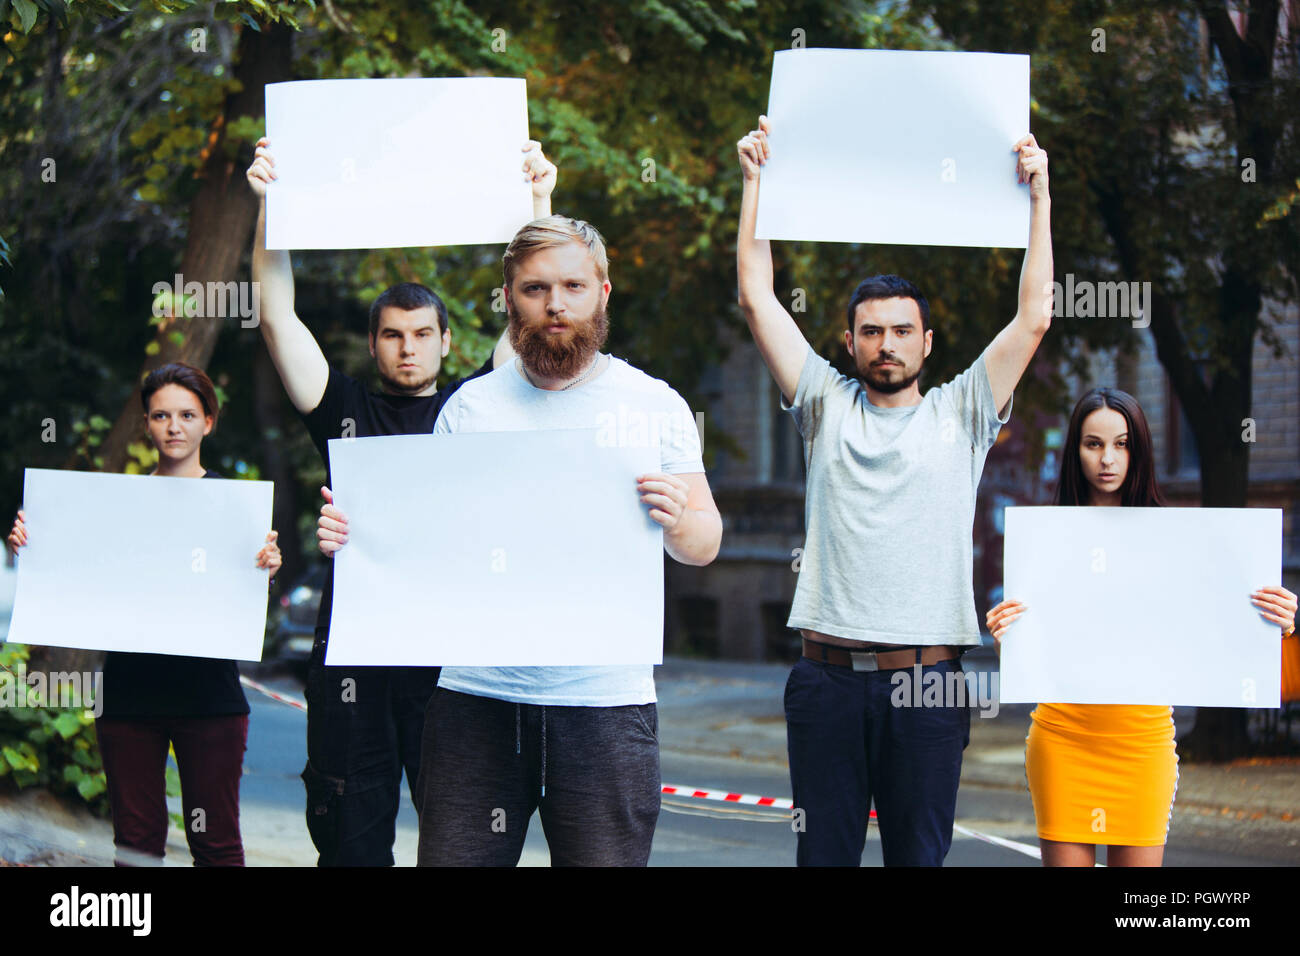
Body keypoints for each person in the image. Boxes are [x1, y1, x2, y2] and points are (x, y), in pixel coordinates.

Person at [316, 215, 724, 866]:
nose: (555, 305)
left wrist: (678, 518)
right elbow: (428, 549)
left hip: (604, 702)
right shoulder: (469, 410)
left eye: (572, 286)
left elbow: (703, 542)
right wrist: (357, 536)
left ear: (603, 293)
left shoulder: (654, 405)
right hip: (475, 700)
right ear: (508, 300)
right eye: (535, 289)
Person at [735, 114, 1054, 866]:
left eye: (902, 331)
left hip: (931, 682)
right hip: (826, 680)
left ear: (927, 342)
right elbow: (756, 296)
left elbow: (1035, 315)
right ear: (849, 342)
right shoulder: (824, 403)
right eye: (871, 331)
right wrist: (756, 185)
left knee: (918, 858)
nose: (887, 344)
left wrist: (1040, 197)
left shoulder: (964, 410)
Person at [246, 136, 557, 866]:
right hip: (351, 657)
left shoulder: (478, 405)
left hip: (450, 662)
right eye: (392, 335)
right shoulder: (341, 406)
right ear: (373, 344)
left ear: (448, 343)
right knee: (351, 848)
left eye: (422, 335)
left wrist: (539, 202)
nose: (407, 348)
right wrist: (271, 209)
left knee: (456, 846)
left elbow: (537, 317)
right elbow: (275, 318)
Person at [986, 387, 1297, 867]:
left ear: (1139, 450)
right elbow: (1030, 662)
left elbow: (1214, 627)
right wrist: (1007, 637)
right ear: (1076, 450)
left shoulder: (1176, 539)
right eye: (1093, 444)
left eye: (1122, 443)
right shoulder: (1043, 541)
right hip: (1063, 740)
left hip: (1143, 742)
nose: (1107, 458)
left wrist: (1276, 623)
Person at [7, 363, 281, 866]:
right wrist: (34, 542)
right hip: (129, 699)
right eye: (160, 415)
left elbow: (245, 596)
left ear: (209, 422)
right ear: (147, 424)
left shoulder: (238, 508)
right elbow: (74, 569)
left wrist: (266, 568)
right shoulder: (113, 504)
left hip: (211, 701)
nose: (174, 426)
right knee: (135, 845)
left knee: (216, 844)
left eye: (186, 414)